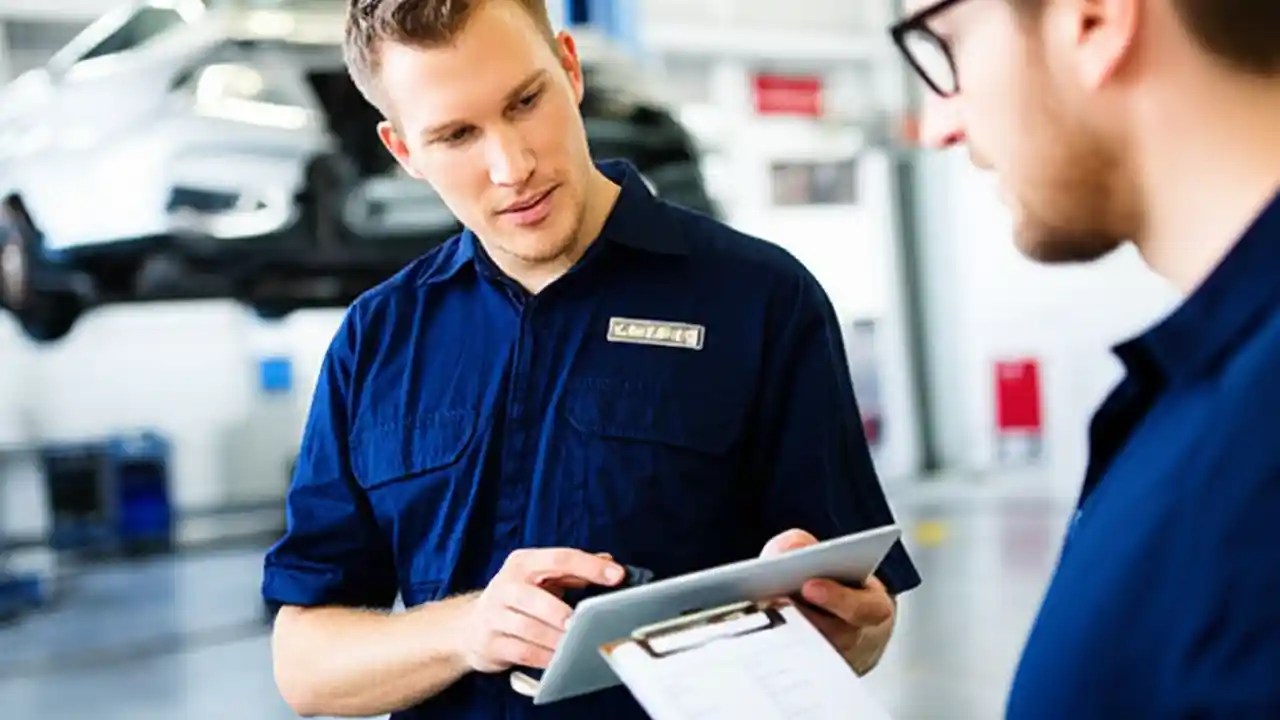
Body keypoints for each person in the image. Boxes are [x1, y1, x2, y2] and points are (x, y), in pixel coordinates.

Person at [262, 1, 922, 717]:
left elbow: (855, 624)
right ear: (404, 152)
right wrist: (468, 629)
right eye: (455, 134)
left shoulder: (761, 301)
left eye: (526, 101)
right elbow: (306, 666)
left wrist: (851, 632)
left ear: (569, 69)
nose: (512, 166)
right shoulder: (376, 339)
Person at [890, 0, 1280, 717]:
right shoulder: (1203, 395)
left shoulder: (1254, 446)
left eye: (948, 48)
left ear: (1093, 20)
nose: (943, 126)